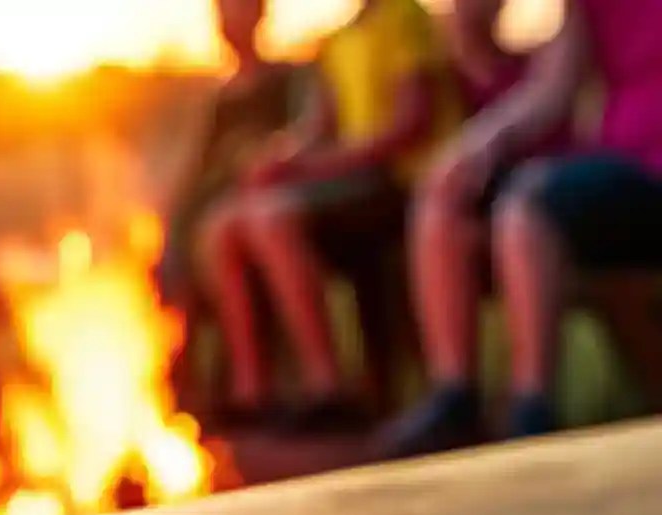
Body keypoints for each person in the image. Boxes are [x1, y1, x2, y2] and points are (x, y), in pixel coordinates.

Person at [384, 0, 662, 455]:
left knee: (528, 205)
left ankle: (533, 408)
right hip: (619, 170)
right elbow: (551, 88)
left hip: (653, 175)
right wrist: (481, 142)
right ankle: (456, 395)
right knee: (446, 200)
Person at [196, 0, 462, 429]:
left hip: (401, 182)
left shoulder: (405, 16)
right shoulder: (337, 40)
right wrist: (279, 160)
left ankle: (329, 387)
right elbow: (319, 128)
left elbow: (409, 125)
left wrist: (319, 166)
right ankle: (253, 391)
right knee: (226, 226)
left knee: (271, 219)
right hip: (354, 182)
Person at [161, 0, 298, 416]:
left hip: (260, 207)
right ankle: (182, 392)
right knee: (166, 261)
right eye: (221, 14)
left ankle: (252, 387)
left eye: (235, 10)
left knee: (221, 237)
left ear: (260, 15)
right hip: (212, 214)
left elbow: (290, 146)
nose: (226, 24)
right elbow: (195, 176)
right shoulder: (221, 99)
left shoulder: (285, 82)